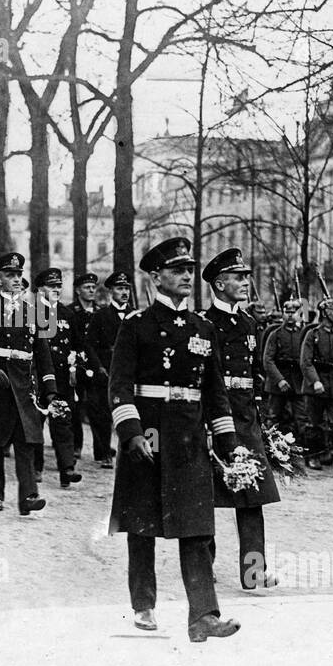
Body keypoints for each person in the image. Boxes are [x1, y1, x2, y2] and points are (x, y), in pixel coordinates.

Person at [109, 237, 241, 641]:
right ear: (156, 277)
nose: (187, 276)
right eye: (177, 270)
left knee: (198, 529)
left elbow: (215, 391)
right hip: (147, 437)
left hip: (188, 441)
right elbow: (119, 385)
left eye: (189, 270)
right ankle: (144, 603)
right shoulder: (136, 326)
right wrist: (130, 433)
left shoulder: (204, 328)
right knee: (143, 525)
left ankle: (203, 616)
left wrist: (228, 442)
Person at [203, 248, 279, 590]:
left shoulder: (250, 323)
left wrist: (261, 420)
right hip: (211, 420)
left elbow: (254, 375)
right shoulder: (203, 324)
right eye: (239, 277)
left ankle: (254, 572)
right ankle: (203, 565)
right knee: (204, 496)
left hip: (245, 420)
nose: (247, 282)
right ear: (220, 284)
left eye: (246, 276)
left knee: (253, 496)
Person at [0, 252, 57, 514]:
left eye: (19, 275)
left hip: (24, 385)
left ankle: (29, 496)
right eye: (10, 275)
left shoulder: (33, 313)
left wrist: (50, 389)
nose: (17, 279)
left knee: (26, 441)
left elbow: (43, 354)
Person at [34, 267, 82, 488]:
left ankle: (67, 469)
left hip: (61, 378)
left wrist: (75, 365)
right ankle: (36, 467)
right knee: (35, 424)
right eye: (51, 286)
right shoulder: (31, 313)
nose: (56, 290)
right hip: (37, 377)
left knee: (63, 423)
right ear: (40, 289)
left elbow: (77, 344)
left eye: (59, 286)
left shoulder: (67, 314)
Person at [84, 271, 133, 468]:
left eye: (127, 289)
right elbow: (89, 345)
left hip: (129, 372)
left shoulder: (136, 315)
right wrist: (99, 367)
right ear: (111, 291)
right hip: (106, 370)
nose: (124, 293)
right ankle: (104, 453)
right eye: (120, 289)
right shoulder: (100, 315)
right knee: (103, 415)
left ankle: (130, 452)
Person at [299, 295, 333, 471]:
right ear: (324, 313)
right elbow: (305, 362)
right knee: (314, 423)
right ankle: (313, 456)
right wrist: (315, 381)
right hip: (316, 384)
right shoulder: (312, 334)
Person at [261, 297, 307, 443]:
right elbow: (267, 360)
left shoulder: (304, 335)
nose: (290, 315)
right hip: (278, 381)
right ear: (283, 314)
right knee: (273, 417)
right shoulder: (275, 334)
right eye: (287, 312)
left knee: (302, 418)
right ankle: (270, 448)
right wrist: (279, 380)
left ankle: (306, 451)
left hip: (298, 381)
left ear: (300, 314)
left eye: (294, 312)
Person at [70, 271, 100, 458]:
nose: (91, 290)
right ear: (78, 291)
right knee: (75, 407)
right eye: (87, 287)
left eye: (93, 287)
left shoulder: (100, 312)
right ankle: (76, 445)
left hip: (95, 365)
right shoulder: (71, 312)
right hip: (77, 365)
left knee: (97, 407)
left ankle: (101, 447)